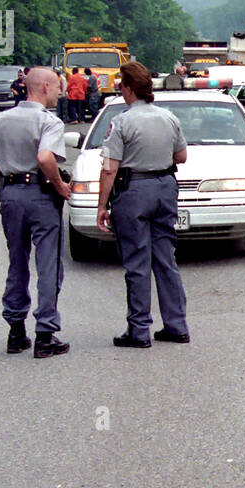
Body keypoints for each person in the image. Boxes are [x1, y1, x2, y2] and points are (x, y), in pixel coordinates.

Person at [0, 67, 72, 359]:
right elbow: (44, 157)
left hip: (11, 196)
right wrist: (59, 185)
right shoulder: (49, 121)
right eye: (56, 88)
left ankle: (16, 332)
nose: (60, 93)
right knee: (48, 264)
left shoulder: (0, 120)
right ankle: (45, 334)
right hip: (41, 196)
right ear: (42, 88)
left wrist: (9, 174)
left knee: (17, 261)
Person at [96, 61, 190, 348]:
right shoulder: (169, 118)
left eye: (121, 86)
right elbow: (182, 157)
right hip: (165, 187)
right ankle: (176, 325)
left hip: (134, 190)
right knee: (165, 258)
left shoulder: (122, 122)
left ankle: (139, 330)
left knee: (137, 261)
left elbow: (110, 168)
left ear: (128, 88)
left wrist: (102, 206)